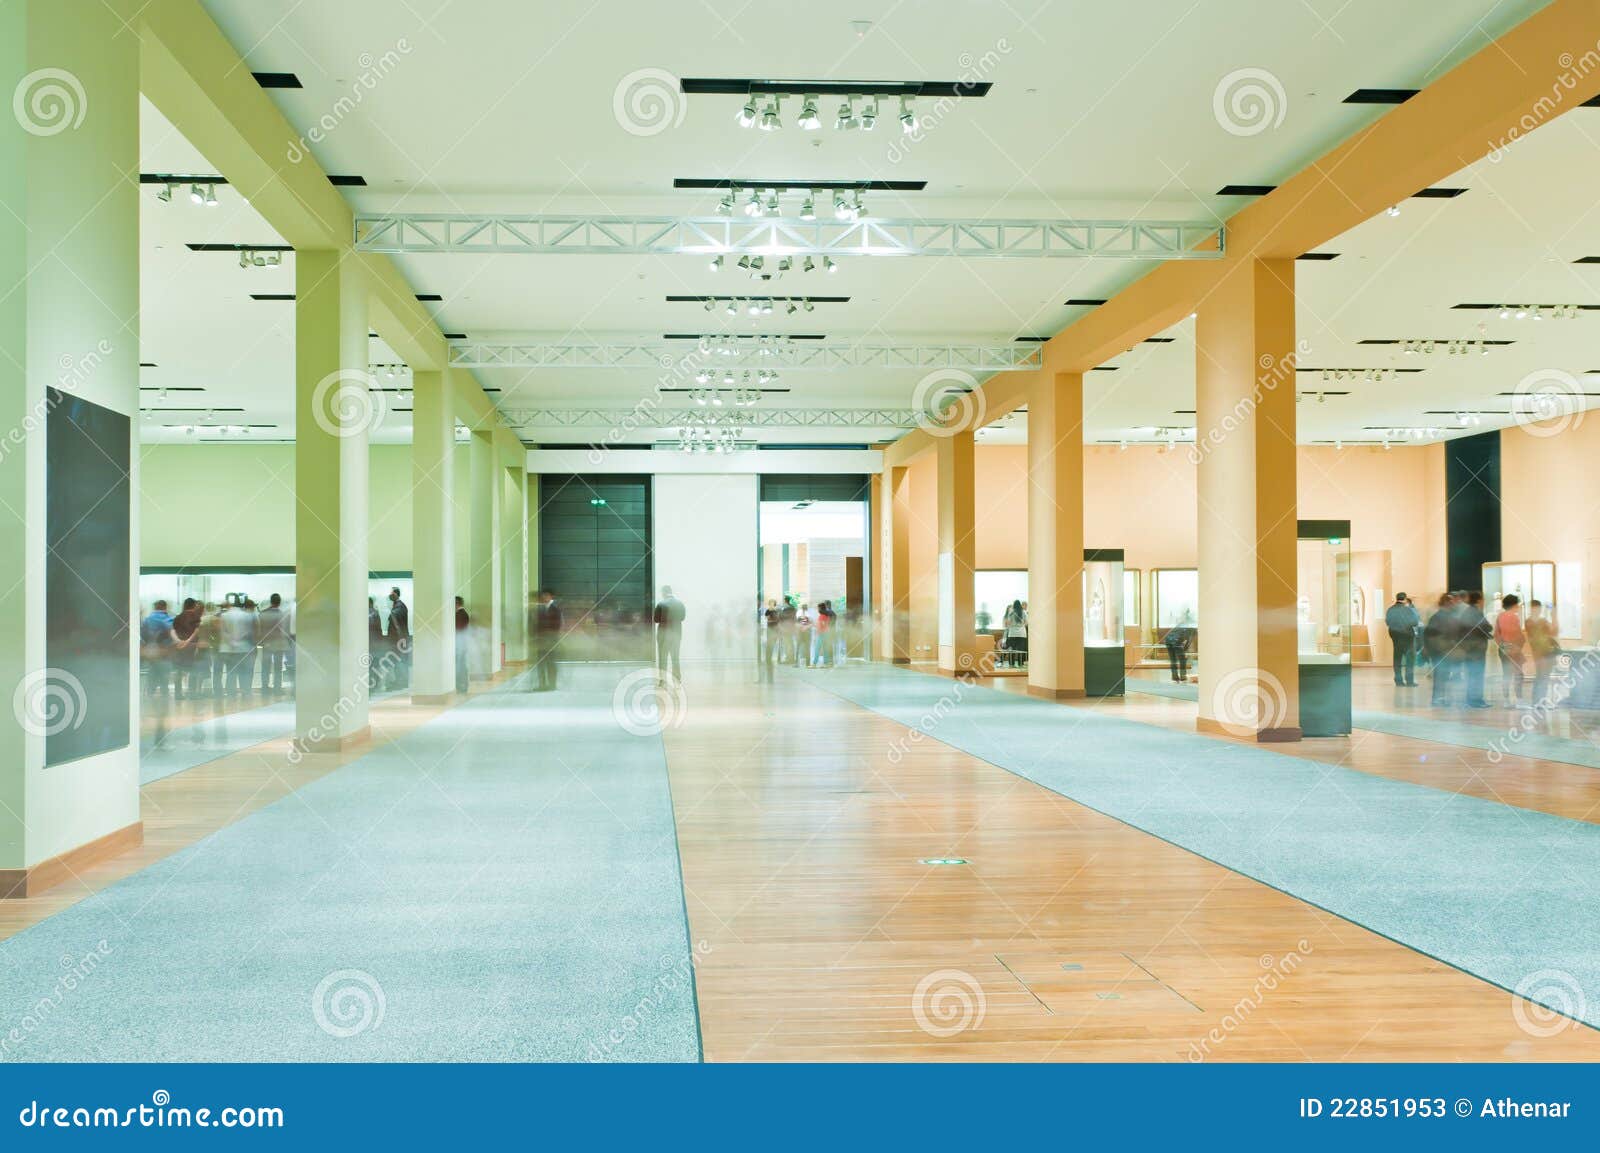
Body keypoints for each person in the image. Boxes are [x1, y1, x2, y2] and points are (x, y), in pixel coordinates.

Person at [1458, 591, 1493, 708]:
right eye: (1482, 599)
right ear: (1478, 600)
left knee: (1472, 674)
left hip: (1469, 648)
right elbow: (1486, 626)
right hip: (1476, 649)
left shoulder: (1467, 612)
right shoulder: (1476, 613)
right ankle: (1476, 700)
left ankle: (1471, 699)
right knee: (1476, 674)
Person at [1423, 593, 1459, 705]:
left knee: (1443, 674)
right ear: (1447, 603)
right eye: (1452, 602)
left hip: (1444, 650)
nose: (1454, 605)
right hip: (1440, 651)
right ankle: (1437, 698)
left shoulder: (1442, 616)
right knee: (1440, 675)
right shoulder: (1439, 617)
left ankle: (1440, 697)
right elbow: (1430, 635)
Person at [1493, 594, 1528, 707]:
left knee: (1506, 675)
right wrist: (1517, 647)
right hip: (1514, 649)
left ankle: (1507, 701)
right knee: (1518, 674)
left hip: (1504, 649)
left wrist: (1504, 647)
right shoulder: (1513, 617)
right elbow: (1517, 634)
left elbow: (1496, 635)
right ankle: (1519, 700)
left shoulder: (1500, 616)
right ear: (1513, 604)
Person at [218, 596, 255, 698]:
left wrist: (231, 641)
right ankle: (245, 691)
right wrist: (239, 640)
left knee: (231, 672)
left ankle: (231, 693)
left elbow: (223, 632)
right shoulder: (247, 616)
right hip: (243, 648)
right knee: (243, 672)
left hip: (228, 649)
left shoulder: (224, 616)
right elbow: (248, 632)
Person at [1384, 592, 1421, 687]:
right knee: (1410, 660)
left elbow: (1388, 622)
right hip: (1408, 637)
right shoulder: (1408, 610)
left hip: (1396, 637)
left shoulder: (1390, 610)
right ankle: (1409, 681)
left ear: (1396, 598)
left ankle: (1398, 680)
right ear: (1405, 599)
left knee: (1397, 659)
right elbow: (1415, 622)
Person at [141, 599, 176, 698]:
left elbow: (143, 635)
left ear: (155, 607)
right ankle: (164, 694)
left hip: (151, 650)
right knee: (164, 674)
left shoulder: (147, 619)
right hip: (165, 650)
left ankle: (150, 694)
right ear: (164, 607)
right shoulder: (169, 619)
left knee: (152, 672)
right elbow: (172, 634)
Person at [257, 593, 290, 694]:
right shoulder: (283, 614)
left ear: (271, 601)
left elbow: (259, 630)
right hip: (279, 644)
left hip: (267, 643)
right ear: (279, 602)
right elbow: (286, 630)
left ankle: (265, 688)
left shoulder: (262, 614)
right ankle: (277, 688)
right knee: (278, 668)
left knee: (265, 667)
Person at [653, 585, 686, 682]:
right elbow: (683, 618)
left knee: (663, 657)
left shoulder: (661, 604)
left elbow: (656, 620)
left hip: (663, 635)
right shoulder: (680, 604)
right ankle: (677, 678)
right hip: (676, 634)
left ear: (663, 593)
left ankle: (662, 680)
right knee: (675, 657)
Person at [170, 598, 202, 698]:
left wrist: (179, 641)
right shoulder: (196, 616)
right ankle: (192, 693)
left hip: (179, 646)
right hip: (192, 646)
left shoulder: (178, 617)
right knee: (193, 670)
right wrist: (188, 641)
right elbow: (197, 631)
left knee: (179, 670)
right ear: (193, 605)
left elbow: (172, 631)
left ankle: (178, 694)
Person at [535, 589, 562, 690]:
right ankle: (542, 685)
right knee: (541, 664)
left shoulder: (556, 609)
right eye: (543, 596)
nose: (544, 597)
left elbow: (557, 625)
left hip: (551, 641)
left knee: (551, 663)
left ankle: (552, 684)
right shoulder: (539, 610)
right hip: (541, 641)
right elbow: (536, 625)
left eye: (546, 595)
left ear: (551, 597)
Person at [387, 587, 411, 689]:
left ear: (396, 594)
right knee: (399, 660)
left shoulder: (399, 607)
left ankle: (401, 683)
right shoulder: (398, 606)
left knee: (399, 660)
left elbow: (393, 619)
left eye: (391, 593)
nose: (390, 595)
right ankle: (401, 682)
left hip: (399, 639)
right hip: (400, 638)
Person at [1162, 612, 1192, 683]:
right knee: (1182, 660)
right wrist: (1184, 652)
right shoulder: (1189, 628)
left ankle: (1175, 677)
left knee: (1173, 660)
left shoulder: (1180, 625)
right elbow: (1187, 641)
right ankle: (1183, 677)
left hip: (1168, 641)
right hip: (1175, 642)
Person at [1002, 600, 1028, 669]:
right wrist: (1021, 625)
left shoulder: (1011, 612)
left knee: (1012, 649)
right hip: (1022, 633)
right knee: (1021, 650)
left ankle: (1012, 664)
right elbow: (1026, 622)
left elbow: (1008, 622)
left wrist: (1013, 625)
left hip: (1012, 633)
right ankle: (1020, 664)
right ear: (1020, 605)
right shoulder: (1024, 612)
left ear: (1014, 605)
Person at [368, 596, 386, 690]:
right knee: (375, 665)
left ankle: (371, 685)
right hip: (375, 644)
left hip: (370, 643)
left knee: (370, 666)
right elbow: (379, 629)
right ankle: (375, 684)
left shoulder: (369, 614)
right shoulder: (375, 613)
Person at [455, 596, 471, 694]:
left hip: (460, 644)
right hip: (461, 644)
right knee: (461, 665)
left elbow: (458, 630)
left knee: (460, 666)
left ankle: (462, 686)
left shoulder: (461, 614)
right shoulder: (461, 614)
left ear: (457, 603)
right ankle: (462, 686)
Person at [761, 600, 780, 683]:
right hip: (770, 630)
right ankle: (768, 657)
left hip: (775, 630)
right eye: (770, 603)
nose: (771, 604)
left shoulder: (776, 611)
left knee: (773, 644)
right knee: (769, 644)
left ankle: (771, 657)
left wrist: (773, 620)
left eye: (773, 603)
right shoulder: (768, 611)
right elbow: (768, 620)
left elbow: (776, 620)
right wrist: (773, 620)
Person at [794, 603, 813, 668]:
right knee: (799, 648)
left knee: (806, 648)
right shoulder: (799, 614)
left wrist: (805, 627)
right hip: (801, 633)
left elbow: (811, 623)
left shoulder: (809, 614)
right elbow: (796, 624)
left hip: (806, 633)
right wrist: (801, 627)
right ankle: (797, 663)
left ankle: (807, 663)